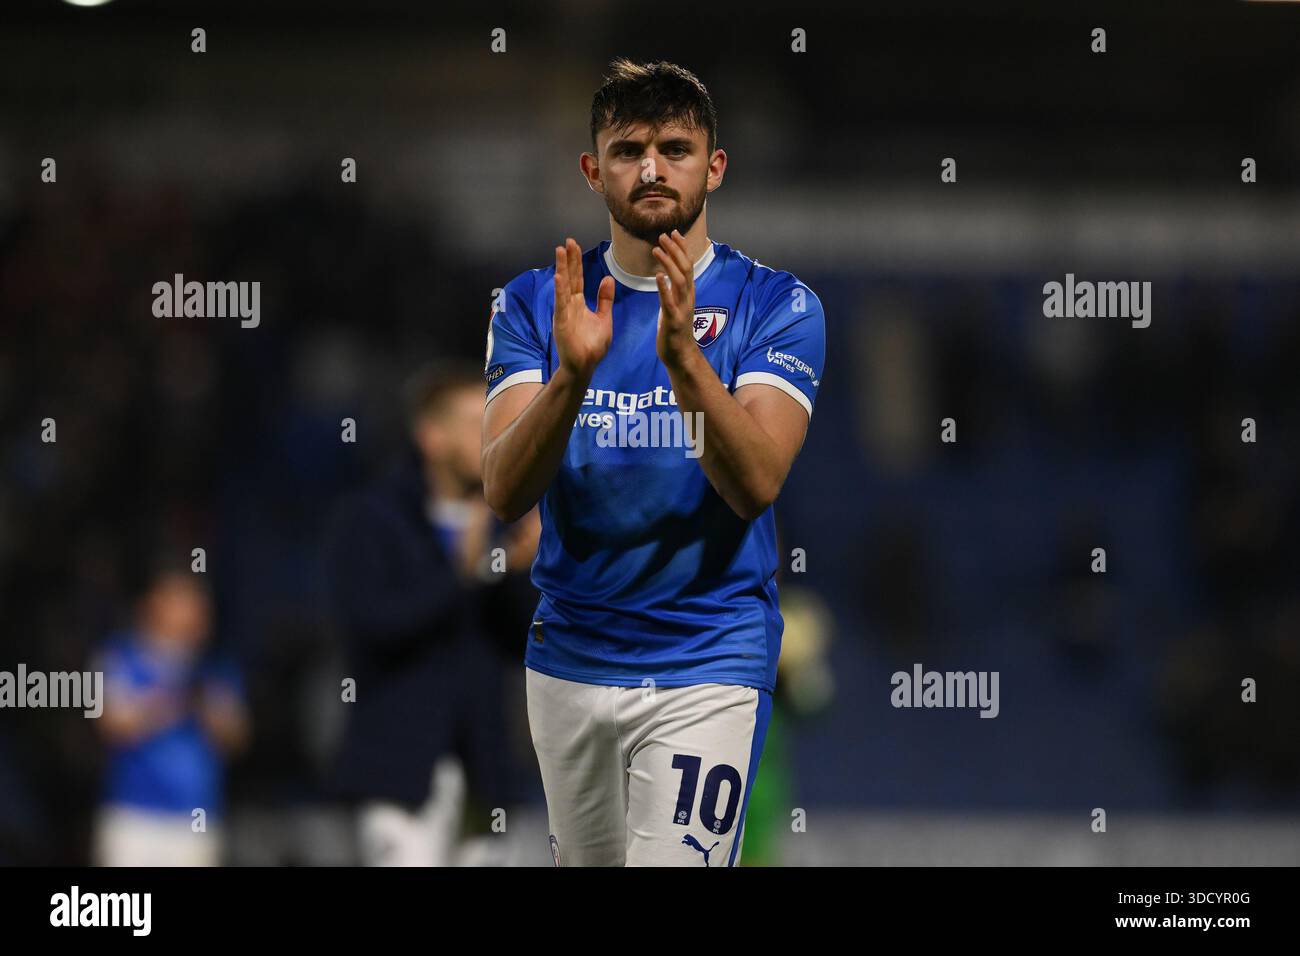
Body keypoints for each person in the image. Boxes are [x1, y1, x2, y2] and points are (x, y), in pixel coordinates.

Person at [481, 59, 825, 866]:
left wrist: (684, 361)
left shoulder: (776, 304)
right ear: (593, 170)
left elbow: (755, 483)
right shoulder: (534, 302)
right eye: (629, 148)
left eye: (675, 147)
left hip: (708, 657)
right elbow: (503, 489)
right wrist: (571, 375)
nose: (652, 167)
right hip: (570, 656)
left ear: (714, 167)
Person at [326, 363, 539, 866]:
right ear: (431, 436)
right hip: (401, 772)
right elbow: (375, 626)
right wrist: (462, 574)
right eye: (472, 422)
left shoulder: (502, 523)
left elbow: (525, 643)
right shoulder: (374, 518)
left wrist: (522, 571)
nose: (489, 434)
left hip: (484, 774)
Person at [94, 571, 249, 866]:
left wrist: (211, 712)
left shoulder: (216, 668)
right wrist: (173, 700)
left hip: (195, 818)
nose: (193, 611)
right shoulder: (121, 656)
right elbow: (113, 723)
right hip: (134, 815)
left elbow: (237, 737)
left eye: (198, 602)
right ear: (154, 603)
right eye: (182, 600)